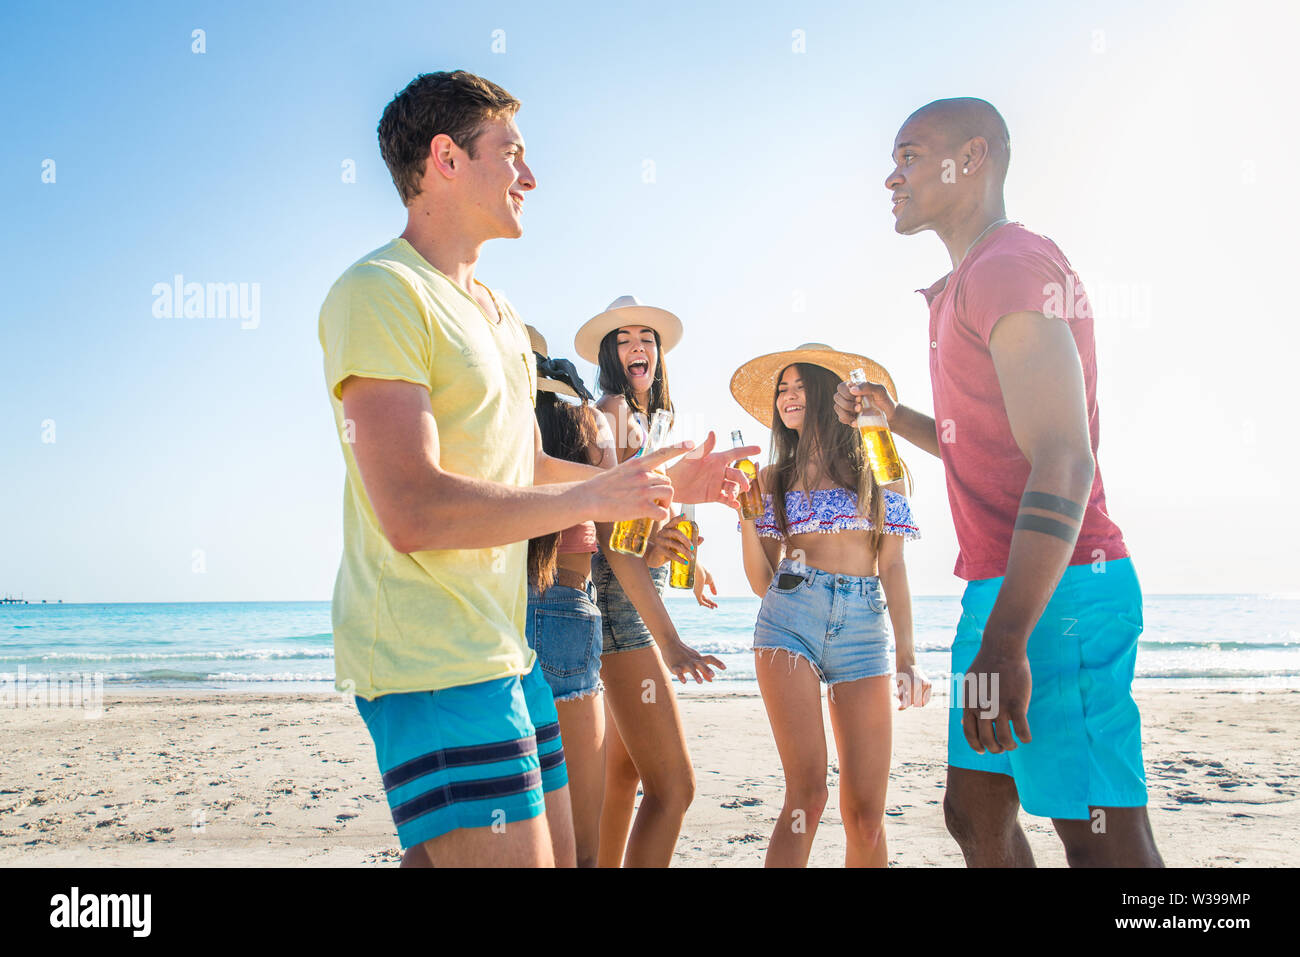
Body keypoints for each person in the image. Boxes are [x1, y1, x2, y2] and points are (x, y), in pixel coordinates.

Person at [317, 70, 757, 868]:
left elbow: (519, 462)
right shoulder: (379, 291)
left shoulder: (492, 310)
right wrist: (596, 492)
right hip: (430, 654)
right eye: (511, 153)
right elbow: (411, 508)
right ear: (445, 158)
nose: (531, 175)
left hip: (506, 646)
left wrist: (667, 486)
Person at [836, 96, 1162, 867]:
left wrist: (1007, 636)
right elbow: (991, 446)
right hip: (996, 592)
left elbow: (1064, 459)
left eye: (909, 156)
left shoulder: (1010, 266)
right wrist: (897, 418)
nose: (892, 175)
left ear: (972, 159)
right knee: (974, 809)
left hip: (1060, 593)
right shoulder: (965, 283)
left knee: (1100, 835)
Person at [729, 344, 931, 867]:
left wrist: (907, 658)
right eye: (781, 389)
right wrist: (748, 520)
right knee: (808, 797)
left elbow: (892, 567)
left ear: (829, 394)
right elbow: (762, 582)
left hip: (865, 626)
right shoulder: (773, 477)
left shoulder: (882, 468)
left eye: (800, 386)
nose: (787, 397)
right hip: (789, 618)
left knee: (866, 816)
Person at [573, 295, 725, 867]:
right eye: (623, 338)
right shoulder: (610, 410)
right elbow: (614, 538)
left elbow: (639, 524)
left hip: (629, 594)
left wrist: (684, 552)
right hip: (617, 604)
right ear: (611, 355)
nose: (638, 346)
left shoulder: (647, 418)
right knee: (675, 788)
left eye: (646, 337)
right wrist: (670, 642)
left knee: (626, 770)